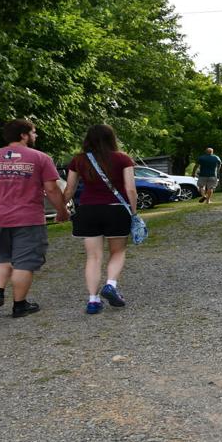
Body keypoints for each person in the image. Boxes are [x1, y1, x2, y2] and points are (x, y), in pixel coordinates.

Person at [0, 119, 70, 319]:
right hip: (28, 218)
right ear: (23, 135)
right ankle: (20, 305)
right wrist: (62, 210)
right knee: (25, 261)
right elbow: (51, 189)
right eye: (33, 132)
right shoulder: (40, 158)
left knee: (0, 257)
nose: (35, 136)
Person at [61, 124, 139, 315]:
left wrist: (61, 207)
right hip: (116, 210)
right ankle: (111, 284)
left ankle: (93, 300)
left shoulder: (78, 160)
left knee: (93, 257)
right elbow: (130, 189)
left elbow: (69, 189)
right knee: (118, 252)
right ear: (112, 138)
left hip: (88, 211)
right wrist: (134, 212)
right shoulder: (123, 158)